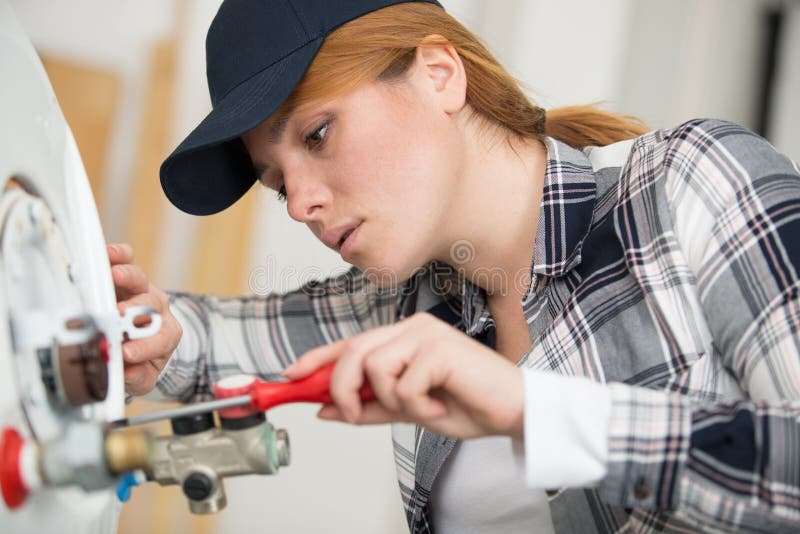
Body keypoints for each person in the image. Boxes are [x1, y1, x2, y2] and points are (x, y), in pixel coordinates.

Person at [109, 0, 800, 532]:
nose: (300, 204)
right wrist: (148, 334)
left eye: (318, 134)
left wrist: (533, 411)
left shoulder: (690, 185)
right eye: (277, 182)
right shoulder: (416, 301)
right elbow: (211, 340)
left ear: (439, 74)